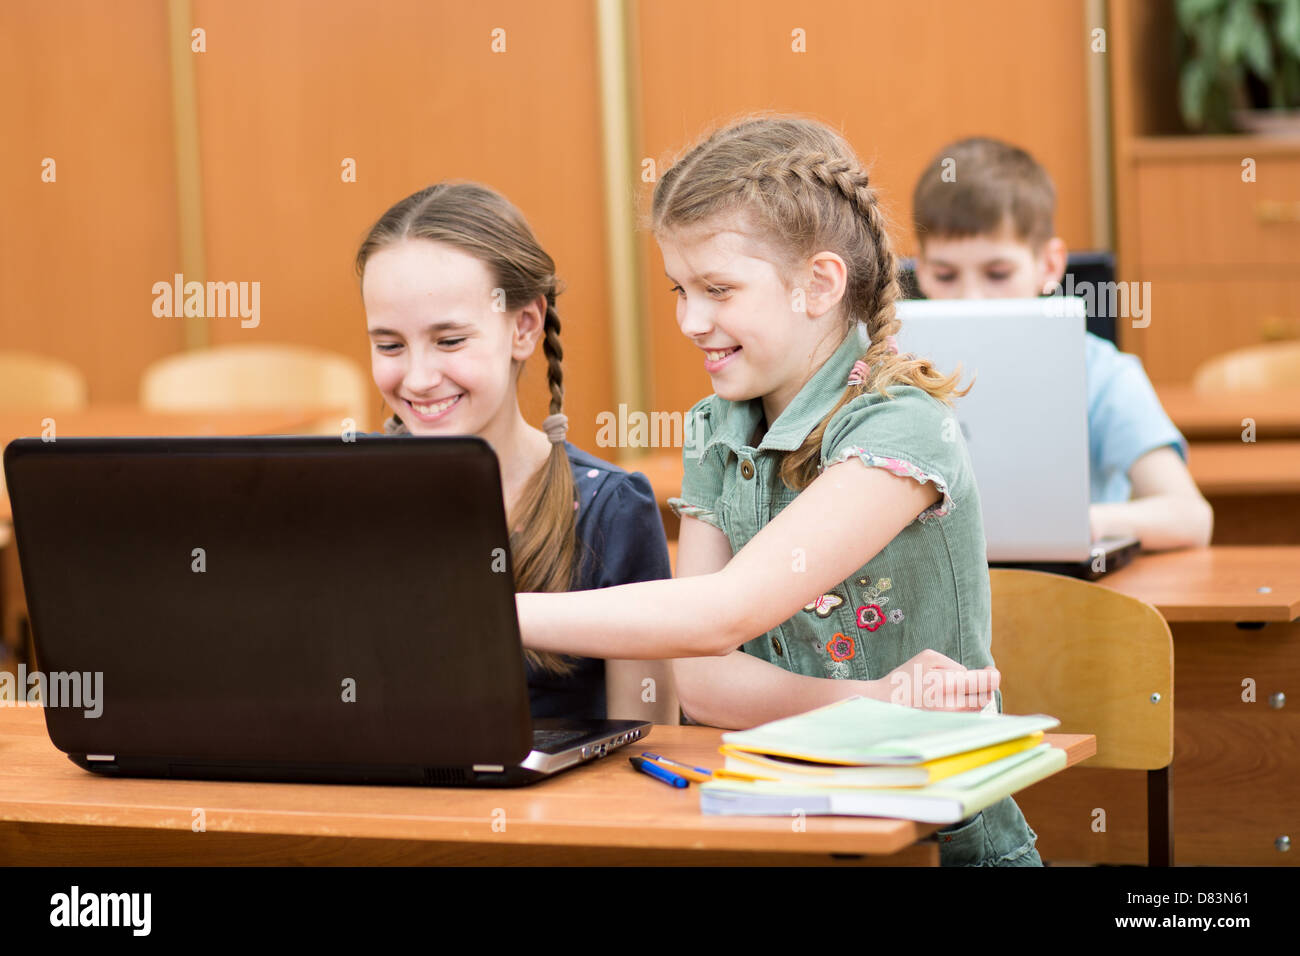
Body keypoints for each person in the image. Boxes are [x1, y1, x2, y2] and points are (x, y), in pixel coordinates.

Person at [515, 115, 1040, 866]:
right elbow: (699, 676)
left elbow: (725, 611)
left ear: (819, 284)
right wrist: (876, 700)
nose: (690, 321)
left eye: (718, 289)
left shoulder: (903, 428)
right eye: (680, 289)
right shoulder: (715, 428)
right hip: (777, 829)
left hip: (942, 842)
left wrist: (494, 610)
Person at [356, 181, 677, 722]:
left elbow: (644, 740)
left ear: (524, 327)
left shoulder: (611, 510)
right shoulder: (340, 492)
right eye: (389, 345)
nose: (417, 377)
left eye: (450, 341)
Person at [911, 136, 1213, 550]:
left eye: (997, 274)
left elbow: (1190, 516)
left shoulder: (1102, 372)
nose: (971, 296)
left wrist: (1078, 523)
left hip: (1065, 596)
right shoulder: (895, 369)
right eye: (946, 276)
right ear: (922, 271)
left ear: (1049, 265)